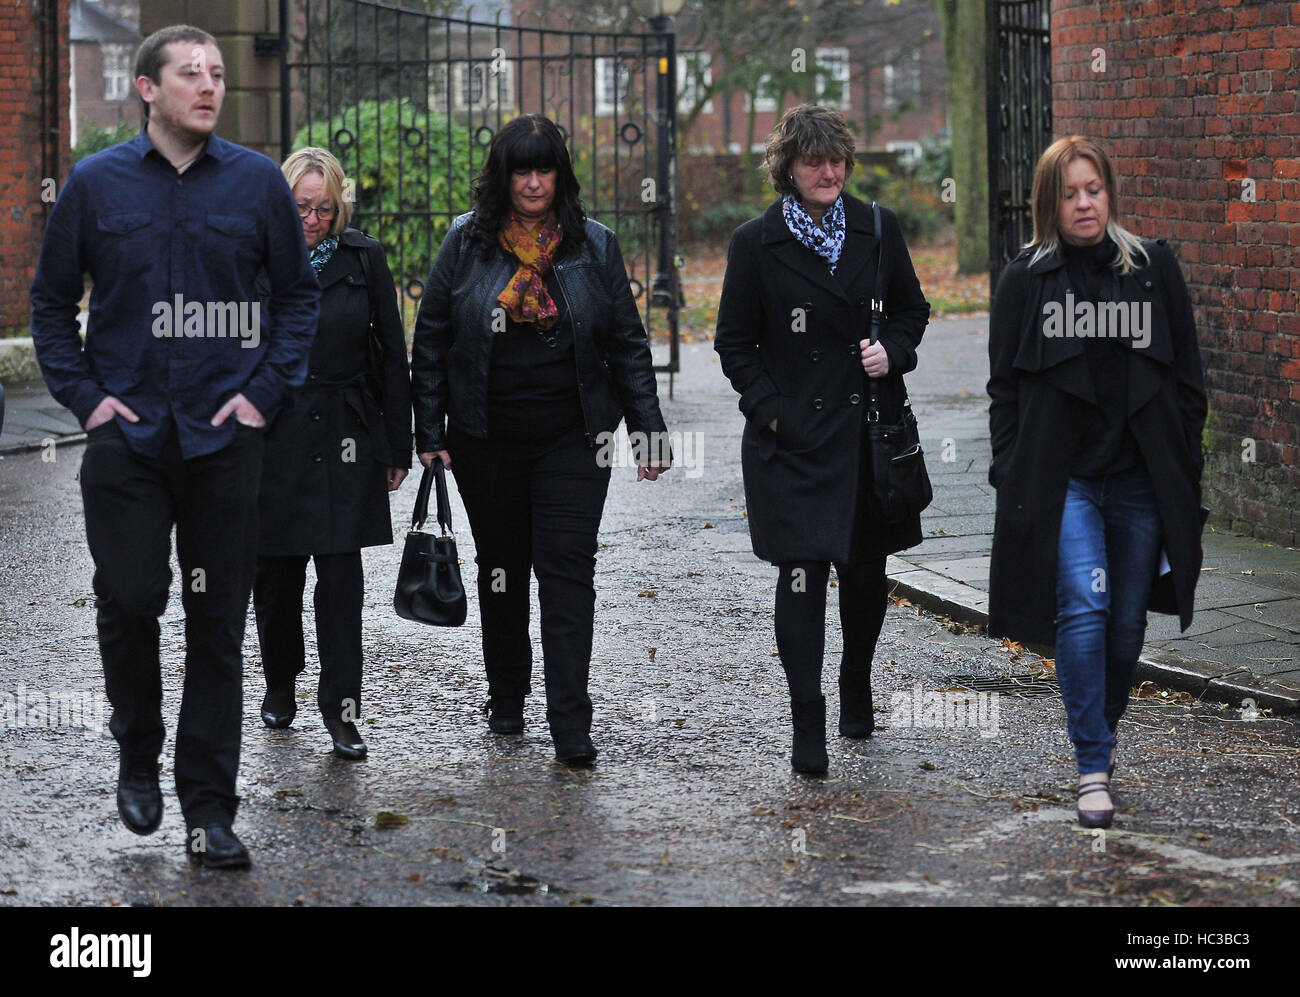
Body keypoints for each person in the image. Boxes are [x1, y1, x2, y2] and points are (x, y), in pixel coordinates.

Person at [29, 25, 320, 867]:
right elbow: (51, 306)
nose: (209, 85)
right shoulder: (95, 186)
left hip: (225, 440)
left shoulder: (259, 186)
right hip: (128, 441)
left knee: (218, 622)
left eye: (218, 73)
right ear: (147, 89)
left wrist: (261, 397)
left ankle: (209, 807)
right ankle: (136, 751)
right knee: (128, 601)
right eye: (189, 73)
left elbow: (296, 302)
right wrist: (88, 402)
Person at [411, 113, 669, 766]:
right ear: (503, 175)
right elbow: (433, 336)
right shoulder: (465, 244)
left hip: (575, 437)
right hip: (484, 438)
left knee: (565, 571)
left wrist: (648, 429)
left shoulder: (595, 246)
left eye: (544, 168)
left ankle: (570, 721)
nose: (533, 182)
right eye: (521, 169)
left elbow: (628, 343)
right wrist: (430, 430)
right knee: (502, 570)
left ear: (561, 174)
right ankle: (506, 693)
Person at [986, 136, 1206, 828]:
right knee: (1083, 606)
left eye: (1094, 190)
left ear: (1109, 193)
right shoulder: (1027, 280)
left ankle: (1100, 739)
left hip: (1141, 480)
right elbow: (1003, 390)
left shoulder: (1153, 269)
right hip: (1065, 481)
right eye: (1070, 193)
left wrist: (1183, 462)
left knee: (1127, 624)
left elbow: (1189, 379)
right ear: (1049, 203)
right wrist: (1008, 470)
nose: (1084, 203)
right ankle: (1090, 763)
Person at [714, 104, 930, 775]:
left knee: (866, 576)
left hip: (866, 434)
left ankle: (855, 682)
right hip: (794, 445)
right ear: (790, 167)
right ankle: (806, 719)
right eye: (814, 161)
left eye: (837, 159)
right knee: (802, 576)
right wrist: (773, 410)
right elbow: (733, 342)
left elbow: (912, 309)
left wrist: (891, 351)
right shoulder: (756, 243)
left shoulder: (875, 226)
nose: (829, 171)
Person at [252, 147, 411, 761]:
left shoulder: (364, 258)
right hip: (274, 434)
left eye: (323, 208)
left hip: (347, 433)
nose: (312, 220)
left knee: (342, 581)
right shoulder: (254, 258)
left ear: (339, 206)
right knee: (276, 577)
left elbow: (392, 354)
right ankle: (279, 681)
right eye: (300, 208)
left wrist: (399, 443)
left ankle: (343, 711)